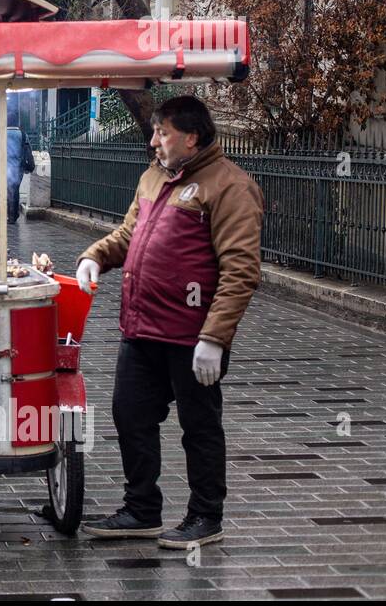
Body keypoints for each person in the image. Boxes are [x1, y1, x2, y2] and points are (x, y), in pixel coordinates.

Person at [77, 96, 263, 549]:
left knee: (199, 426)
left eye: (163, 132)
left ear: (191, 137)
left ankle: (205, 516)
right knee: (130, 415)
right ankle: (142, 509)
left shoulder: (229, 186)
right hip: (141, 328)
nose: (154, 140)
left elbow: (241, 269)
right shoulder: (153, 177)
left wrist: (215, 338)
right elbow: (129, 234)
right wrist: (95, 257)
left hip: (191, 336)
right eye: (155, 131)